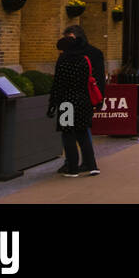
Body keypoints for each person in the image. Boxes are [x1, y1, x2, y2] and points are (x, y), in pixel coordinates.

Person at [48, 28, 99, 177]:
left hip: (66, 103)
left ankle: (72, 168)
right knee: (83, 133)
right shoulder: (84, 60)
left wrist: (52, 103)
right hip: (83, 102)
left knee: (68, 134)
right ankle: (92, 165)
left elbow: (58, 84)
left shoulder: (63, 62)